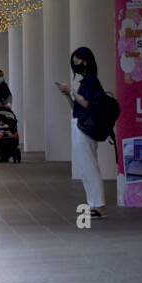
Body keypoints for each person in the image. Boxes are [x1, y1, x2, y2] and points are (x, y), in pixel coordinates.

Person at [57, 47, 107, 220]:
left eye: (77, 60)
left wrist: (71, 90)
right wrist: (68, 95)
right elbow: (77, 107)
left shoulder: (91, 80)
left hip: (85, 128)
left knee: (89, 166)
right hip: (79, 124)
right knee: (85, 167)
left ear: (85, 61)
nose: (75, 64)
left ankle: (98, 205)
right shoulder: (85, 81)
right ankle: (93, 203)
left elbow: (86, 104)